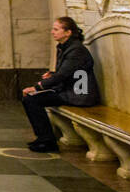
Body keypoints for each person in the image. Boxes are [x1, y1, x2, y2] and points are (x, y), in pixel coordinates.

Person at [21, 16, 100, 152]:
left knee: (32, 100)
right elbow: (68, 72)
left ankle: (47, 141)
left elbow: (63, 75)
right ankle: (43, 138)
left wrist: (37, 87)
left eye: (56, 29)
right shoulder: (66, 47)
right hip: (69, 91)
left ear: (68, 32)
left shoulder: (76, 50)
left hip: (78, 95)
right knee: (30, 99)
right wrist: (52, 74)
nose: (52, 32)